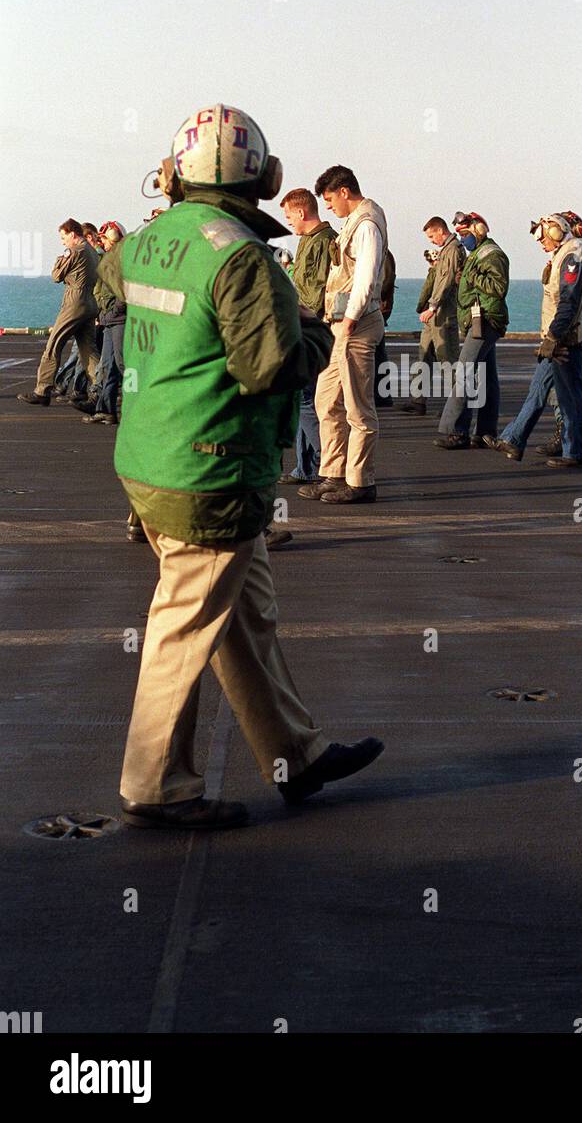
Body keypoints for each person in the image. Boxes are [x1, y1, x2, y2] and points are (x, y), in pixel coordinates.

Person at [96, 104, 383, 829]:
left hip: (151, 461)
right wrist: (314, 335)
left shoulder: (142, 240)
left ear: (175, 174)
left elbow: (111, 284)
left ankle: (296, 754)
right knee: (183, 626)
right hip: (209, 473)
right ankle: (154, 786)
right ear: (265, 176)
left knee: (246, 616)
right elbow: (267, 368)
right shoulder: (242, 256)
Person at [299, 165, 388, 505]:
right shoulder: (354, 222)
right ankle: (333, 474)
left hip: (355, 325)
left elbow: (365, 277)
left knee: (358, 409)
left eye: (330, 199)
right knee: (326, 400)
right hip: (339, 325)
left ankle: (361, 482)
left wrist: (349, 320)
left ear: (344, 192)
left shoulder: (366, 225)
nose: (330, 206)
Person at [485, 214, 582, 466]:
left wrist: (554, 338)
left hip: (565, 340)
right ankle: (514, 439)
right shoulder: (565, 254)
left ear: (556, 232)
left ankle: (576, 452)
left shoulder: (572, 256)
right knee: (540, 390)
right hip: (559, 338)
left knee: (570, 397)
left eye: (543, 237)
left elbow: (568, 302)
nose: (541, 242)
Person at [434, 211, 509, 449]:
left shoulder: (491, 254)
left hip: (485, 320)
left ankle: (457, 431)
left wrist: (473, 276)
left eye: (465, 233)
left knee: (464, 372)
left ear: (478, 230)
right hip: (482, 319)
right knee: (488, 378)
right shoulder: (476, 254)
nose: (462, 238)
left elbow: (498, 287)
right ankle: (485, 431)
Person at [280, 188, 338, 483]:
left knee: (306, 401)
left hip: (310, 328)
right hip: (304, 325)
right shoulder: (308, 242)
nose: (288, 221)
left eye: (289, 215)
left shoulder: (323, 243)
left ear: (301, 213)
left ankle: (330, 465)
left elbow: (317, 291)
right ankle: (306, 467)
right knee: (304, 399)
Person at [539, 209, 582, 458]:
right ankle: (577, 441)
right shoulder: (567, 255)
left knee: (565, 390)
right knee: (572, 388)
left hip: (574, 331)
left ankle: (570, 439)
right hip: (572, 328)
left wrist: (568, 332)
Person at [18, 219, 101, 407]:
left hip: (75, 303)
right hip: (90, 302)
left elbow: (56, 276)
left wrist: (60, 259)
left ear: (73, 234)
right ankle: (101, 388)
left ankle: (42, 390)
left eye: (64, 237)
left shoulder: (75, 251)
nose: (63, 242)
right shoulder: (93, 252)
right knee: (88, 350)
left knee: (54, 344)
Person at [401, 216, 463, 415]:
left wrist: (433, 306)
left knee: (448, 360)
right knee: (424, 355)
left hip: (444, 313)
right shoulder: (446, 250)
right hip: (435, 314)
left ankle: (458, 407)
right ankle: (418, 401)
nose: (431, 241)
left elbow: (446, 280)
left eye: (431, 236)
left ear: (440, 231)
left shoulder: (452, 250)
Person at [82, 221, 128, 425]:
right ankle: (106, 410)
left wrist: (115, 310)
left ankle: (134, 408)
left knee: (124, 365)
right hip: (110, 319)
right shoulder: (110, 260)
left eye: (105, 238)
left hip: (119, 319)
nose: (103, 242)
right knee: (109, 366)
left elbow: (124, 292)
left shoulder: (121, 261)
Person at [374, 248, 397, 408]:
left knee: (377, 353)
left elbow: (387, 280)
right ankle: (382, 394)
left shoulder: (383, 254)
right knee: (378, 352)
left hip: (378, 307)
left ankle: (382, 395)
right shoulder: (384, 253)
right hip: (379, 306)